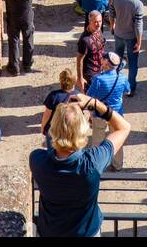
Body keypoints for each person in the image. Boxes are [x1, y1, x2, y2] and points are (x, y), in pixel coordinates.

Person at [30, 95, 131, 238]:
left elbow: (52, 147)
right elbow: (124, 127)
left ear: (53, 129)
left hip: (50, 231)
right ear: (82, 130)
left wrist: (63, 114)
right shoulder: (93, 161)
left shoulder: (37, 160)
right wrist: (95, 104)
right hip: (87, 233)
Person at [86, 51, 130, 169]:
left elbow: (89, 97)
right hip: (117, 114)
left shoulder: (98, 79)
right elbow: (128, 91)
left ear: (106, 62)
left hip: (100, 114)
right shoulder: (122, 77)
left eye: (104, 58)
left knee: (97, 139)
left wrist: (91, 113)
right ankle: (118, 164)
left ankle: (97, 164)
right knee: (117, 138)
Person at [110, 0, 144, 95]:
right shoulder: (138, 4)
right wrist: (139, 41)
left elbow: (111, 13)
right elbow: (138, 26)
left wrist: (112, 25)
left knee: (116, 60)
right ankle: (130, 88)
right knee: (133, 63)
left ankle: (115, 83)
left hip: (118, 34)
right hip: (131, 37)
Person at [3, 0, 35, 75]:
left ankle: (14, 66)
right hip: (26, 18)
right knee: (28, 40)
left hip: (13, 18)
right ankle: (27, 64)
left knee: (14, 42)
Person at [42, 69, 77, 146]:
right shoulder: (78, 96)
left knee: (52, 150)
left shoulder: (53, 96)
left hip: (54, 128)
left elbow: (47, 115)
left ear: (61, 81)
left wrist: (43, 127)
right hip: (71, 128)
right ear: (74, 81)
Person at [76, 11, 105, 92]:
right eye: (95, 22)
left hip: (100, 71)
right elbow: (79, 59)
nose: (98, 24)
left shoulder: (98, 31)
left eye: (100, 21)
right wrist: (80, 78)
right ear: (89, 21)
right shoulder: (85, 40)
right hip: (90, 75)